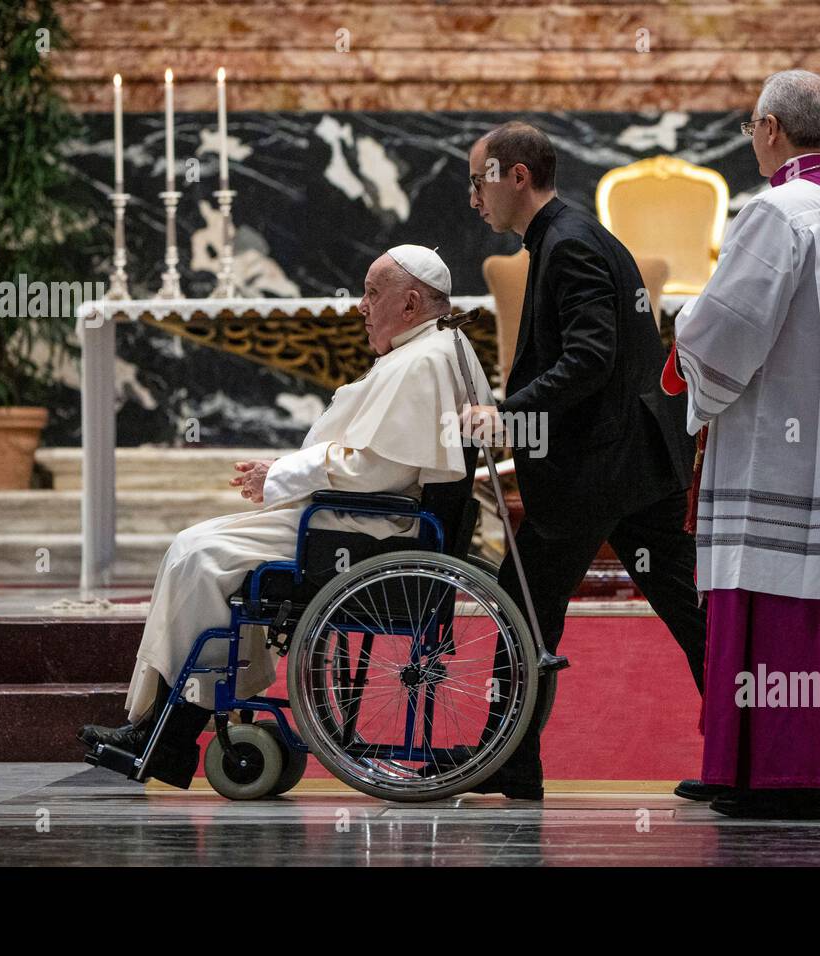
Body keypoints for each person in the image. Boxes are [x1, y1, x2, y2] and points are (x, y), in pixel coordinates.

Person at [79, 245, 494, 788]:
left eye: (373, 294)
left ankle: (168, 734)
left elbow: (376, 469)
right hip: (361, 519)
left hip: (362, 527)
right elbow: (374, 457)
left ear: (412, 302)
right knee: (194, 546)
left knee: (200, 555)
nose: (362, 307)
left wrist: (282, 475)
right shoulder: (437, 349)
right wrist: (285, 470)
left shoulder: (424, 361)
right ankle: (166, 728)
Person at [671, 70, 820, 819]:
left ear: (770, 128)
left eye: (751, 129)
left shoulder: (778, 210)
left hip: (779, 446)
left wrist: (681, 351)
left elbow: (727, 327)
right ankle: (782, 769)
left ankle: (780, 775)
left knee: (777, 600)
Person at [466, 122, 705, 800]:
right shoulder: (570, 233)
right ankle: (752, 759)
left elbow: (589, 358)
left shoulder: (567, 244)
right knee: (688, 610)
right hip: (635, 463)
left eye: (479, 180)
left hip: (598, 469)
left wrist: (509, 414)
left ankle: (507, 761)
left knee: (522, 604)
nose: (473, 199)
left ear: (516, 177)